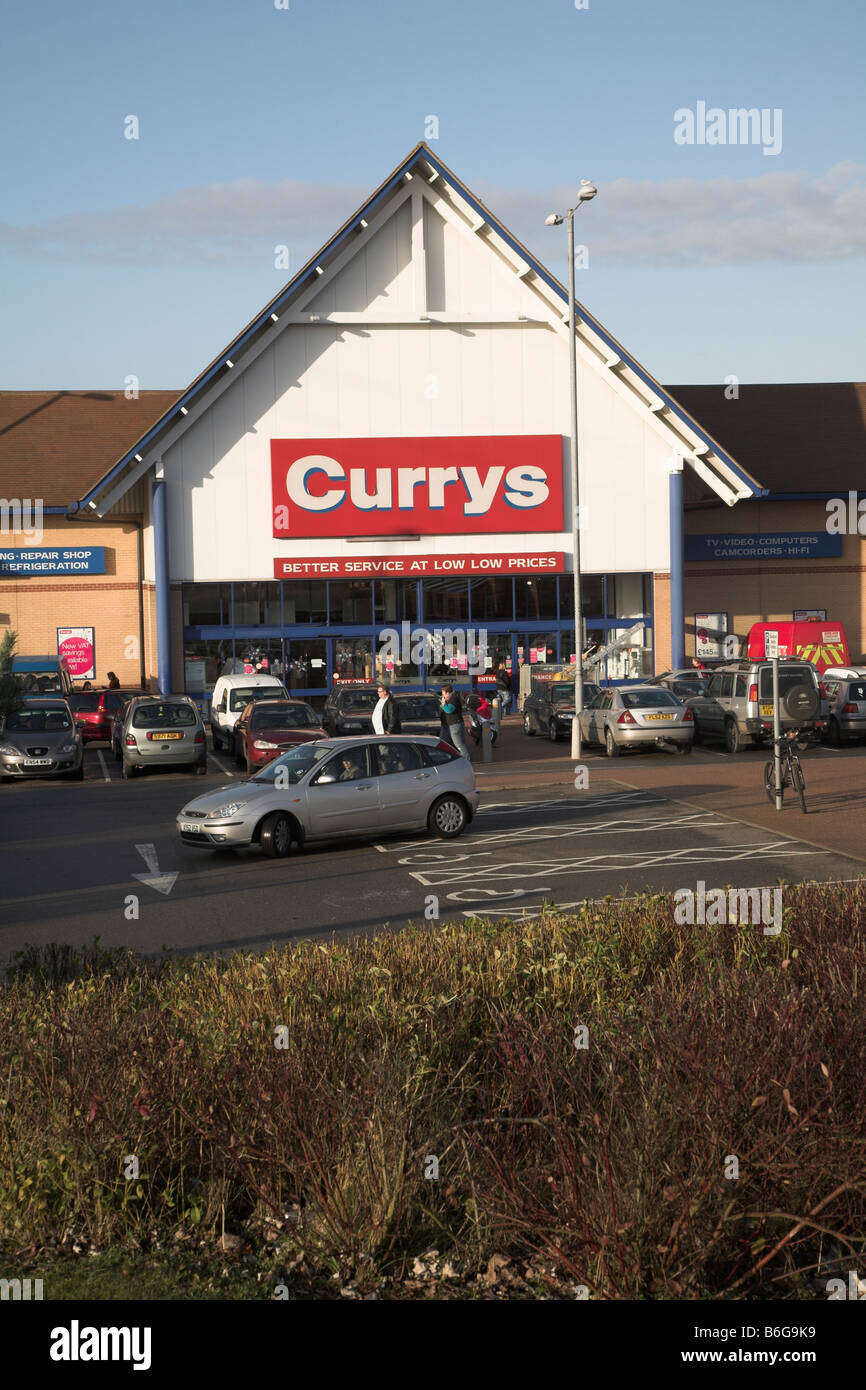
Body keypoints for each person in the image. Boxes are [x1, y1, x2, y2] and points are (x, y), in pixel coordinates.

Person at [439, 684, 471, 760]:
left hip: (455, 724)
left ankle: (467, 760)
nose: (442, 696)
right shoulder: (449, 699)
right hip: (446, 725)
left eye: (443, 693)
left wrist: (443, 704)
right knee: (444, 743)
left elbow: (449, 710)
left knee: (459, 744)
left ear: (447, 693)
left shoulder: (454, 699)